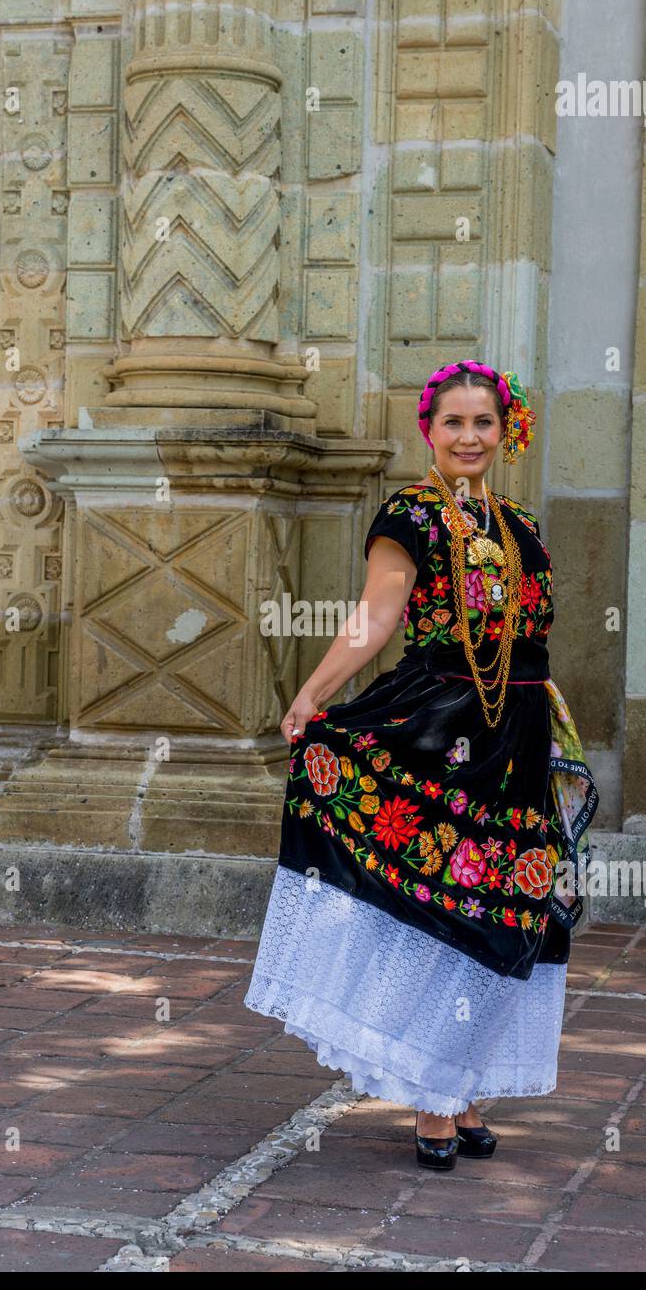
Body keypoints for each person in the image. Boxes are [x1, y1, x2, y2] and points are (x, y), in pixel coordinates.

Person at [244, 359, 598, 1171]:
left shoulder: (523, 521)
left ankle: (464, 1088)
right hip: (439, 725)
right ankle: (434, 1100)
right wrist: (313, 694)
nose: (470, 437)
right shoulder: (410, 515)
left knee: (504, 907)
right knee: (439, 903)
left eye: (484, 422)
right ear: (428, 432)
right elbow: (376, 616)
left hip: (520, 735)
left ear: (505, 429)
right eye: (454, 424)